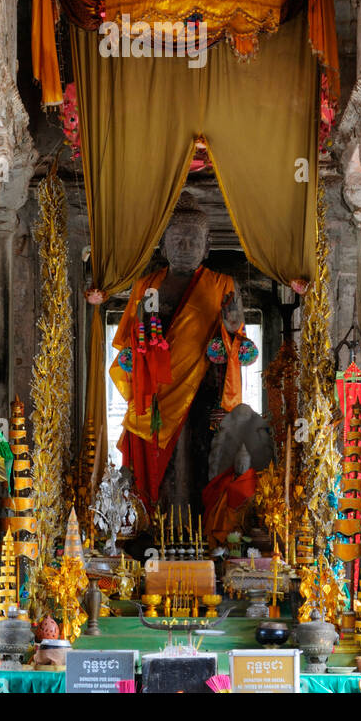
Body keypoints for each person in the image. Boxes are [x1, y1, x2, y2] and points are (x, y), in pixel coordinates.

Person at [109, 195, 247, 513]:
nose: (184, 246)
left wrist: (230, 329)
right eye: (177, 239)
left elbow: (240, 349)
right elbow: (129, 349)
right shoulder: (146, 286)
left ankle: (198, 531)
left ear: (207, 246)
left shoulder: (222, 285)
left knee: (199, 460)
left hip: (202, 391)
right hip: (154, 394)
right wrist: (139, 347)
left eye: (192, 240)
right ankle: (156, 524)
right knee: (162, 468)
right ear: (162, 246)